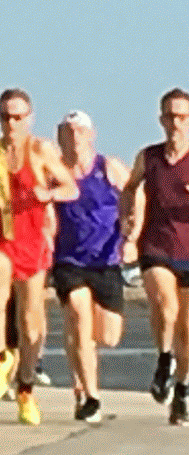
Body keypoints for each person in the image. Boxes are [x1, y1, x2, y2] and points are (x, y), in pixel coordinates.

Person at [0, 89, 78, 426]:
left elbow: (71, 187)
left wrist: (48, 193)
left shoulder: (40, 151)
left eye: (18, 117)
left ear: (29, 118)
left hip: (31, 240)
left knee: (29, 320)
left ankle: (25, 387)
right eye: (6, 117)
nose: (11, 124)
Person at [51, 110, 128, 423]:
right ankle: (89, 395)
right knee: (79, 314)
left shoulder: (108, 168)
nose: (74, 137)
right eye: (67, 132)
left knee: (108, 337)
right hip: (68, 260)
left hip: (106, 260)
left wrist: (132, 231)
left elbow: (136, 194)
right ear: (59, 136)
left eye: (79, 131)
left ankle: (82, 366)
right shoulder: (53, 171)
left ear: (91, 134)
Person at [119, 89, 189, 424]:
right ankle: (163, 360)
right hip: (157, 245)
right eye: (170, 116)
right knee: (165, 303)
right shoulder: (149, 157)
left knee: (187, 330)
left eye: (182, 116)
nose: (175, 123)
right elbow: (130, 187)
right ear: (161, 119)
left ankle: (182, 390)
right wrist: (128, 221)